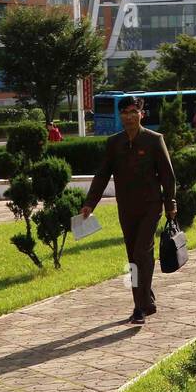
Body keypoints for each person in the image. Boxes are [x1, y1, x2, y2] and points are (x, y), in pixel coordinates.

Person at [80, 96, 176, 326]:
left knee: (142, 251)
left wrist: (170, 203)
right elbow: (103, 174)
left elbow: (168, 175)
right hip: (126, 208)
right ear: (120, 116)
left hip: (151, 206)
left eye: (135, 111)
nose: (130, 116)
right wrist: (90, 203)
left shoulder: (154, 140)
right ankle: (145, 299)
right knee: (133, 258)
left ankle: (139, 307)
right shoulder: (114, 143)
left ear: (141, 114)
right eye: (125, 112)